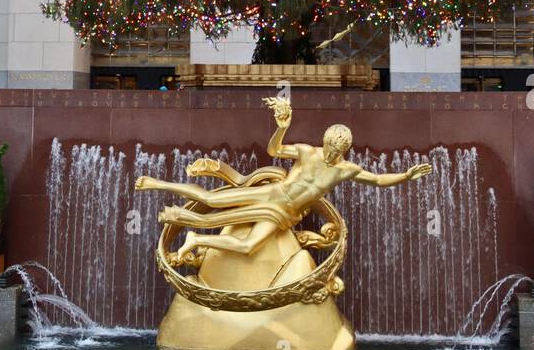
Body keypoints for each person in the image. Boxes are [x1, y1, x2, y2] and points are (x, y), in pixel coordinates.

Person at [135, 96, 431, 265]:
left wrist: (406, 176)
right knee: (211, 199)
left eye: (336, 150)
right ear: (325, 141)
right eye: (329, 146)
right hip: (272, 194)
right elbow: (274, 150)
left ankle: (196, 239)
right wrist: (282, 127)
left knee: (249, 246)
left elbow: (377, 180)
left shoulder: (346, 169)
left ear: (345, 149)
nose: (330, 153)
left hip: (284, 213)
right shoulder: (306, 152)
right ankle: (158, 183)